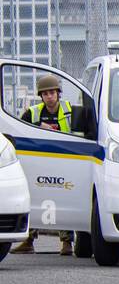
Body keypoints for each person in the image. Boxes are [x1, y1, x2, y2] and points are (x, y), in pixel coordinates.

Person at [12, 74, 78, 256]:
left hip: (65, 162)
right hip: (41, 163)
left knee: (64, 199)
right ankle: (29, 240)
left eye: (52, 92)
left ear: (58, 93)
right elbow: (19, 132)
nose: (49, 96)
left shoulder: (69, 111)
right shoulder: (32, 113)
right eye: (45, 93)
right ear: (41, 96)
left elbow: (80, 133)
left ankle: (66, 243)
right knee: (35, 198)